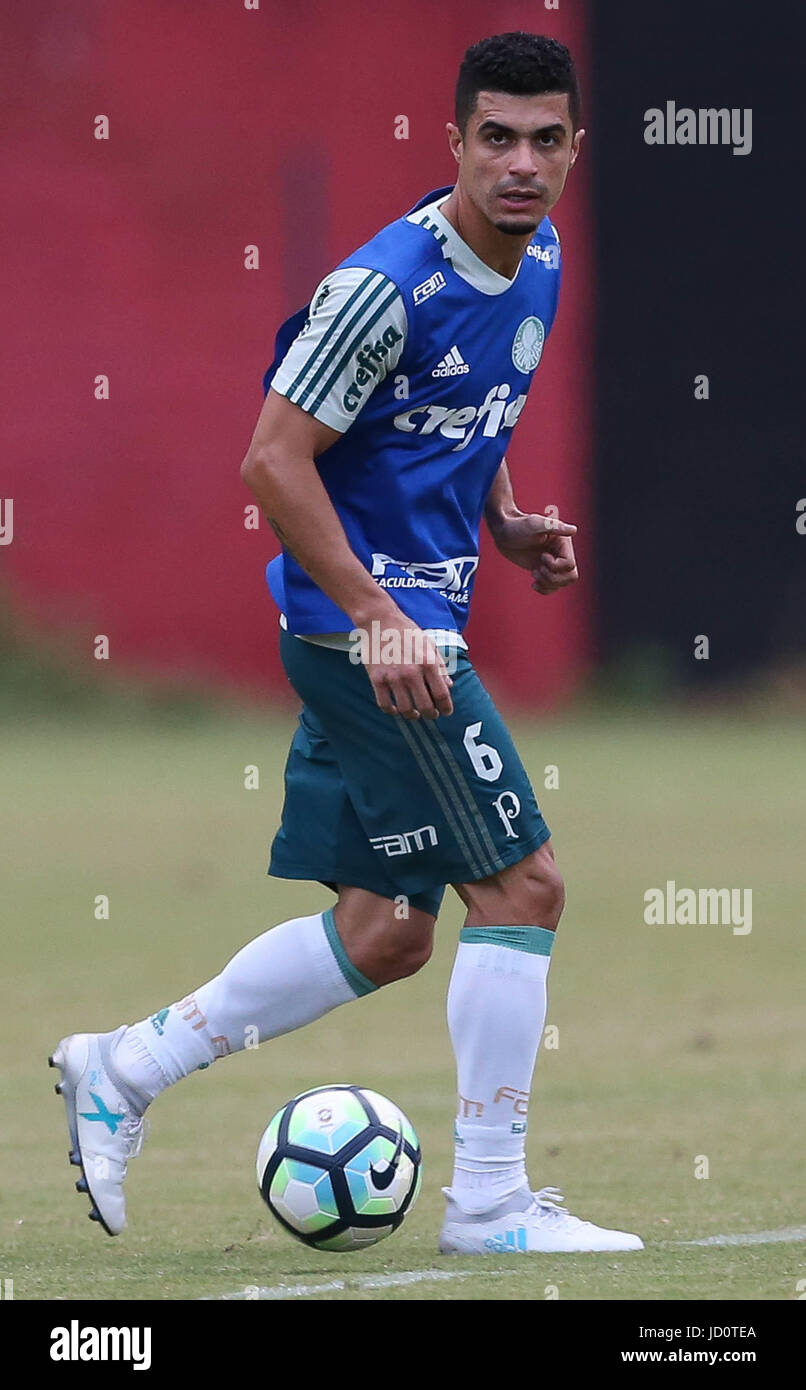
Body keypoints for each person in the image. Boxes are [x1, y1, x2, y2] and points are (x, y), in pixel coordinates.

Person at [51, 31, 642, 1255]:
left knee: (387, 927)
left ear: (575, 150)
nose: (519, 163)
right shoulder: (383, 287)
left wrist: (508, 522)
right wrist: (379, 619)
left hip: (394, 629)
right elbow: (272, 461)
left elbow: (450, 421)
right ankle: (485, 1204)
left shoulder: (538, 262)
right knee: (523, 887)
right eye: (495, 137)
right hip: (368, 638)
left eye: (544, 140)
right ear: (454, 143)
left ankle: (121, 1067)